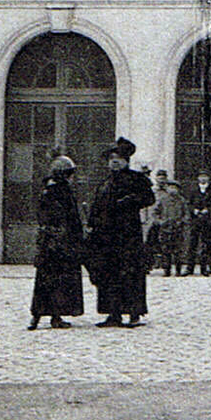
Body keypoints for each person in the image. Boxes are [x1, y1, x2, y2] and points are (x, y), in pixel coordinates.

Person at [86, 137, 156, 327]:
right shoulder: (104, 183)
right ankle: (113, 313)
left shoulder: (136, 179)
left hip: (128, 235)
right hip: (106, 236)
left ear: (126, 161)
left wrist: (130, 200)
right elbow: (96, 207)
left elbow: (149, 198)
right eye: (111, 158)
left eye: (118, 158)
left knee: (130, 273)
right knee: (108, 275)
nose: (114, 161)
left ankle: (134, 313)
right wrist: (92, 223)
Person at [29, 155, 85, 329]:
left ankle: (38, 315)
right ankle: (55, 316)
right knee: (59, 280)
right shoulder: (62, 192)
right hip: (61, 241)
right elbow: (69, 218)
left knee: (45, 279)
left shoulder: (46, 190)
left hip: (48, 241)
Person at [190, 169, 211, 276]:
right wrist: (193, 210)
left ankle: (208, 268)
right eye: (201, 176)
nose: (203, 178)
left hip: (209, 221)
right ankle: (190, 267)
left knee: (209, 244)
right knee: (193, 244)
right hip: (196, 221)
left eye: (205, 176)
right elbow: (189, 203)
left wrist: (208, 210)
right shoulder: (193, 191)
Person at [159, 181, 193, 276]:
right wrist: (160, 221)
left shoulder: (181, 201)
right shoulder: (163, 200)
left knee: (178, 250)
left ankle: (178, 270)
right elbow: (155, 213)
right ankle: (167, 270)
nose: (172, 190)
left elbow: (186, 214)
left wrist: (182, 221)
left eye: (174, 188)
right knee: (166, 250)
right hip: (165, 228)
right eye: (170, 187)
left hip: (178, 229)